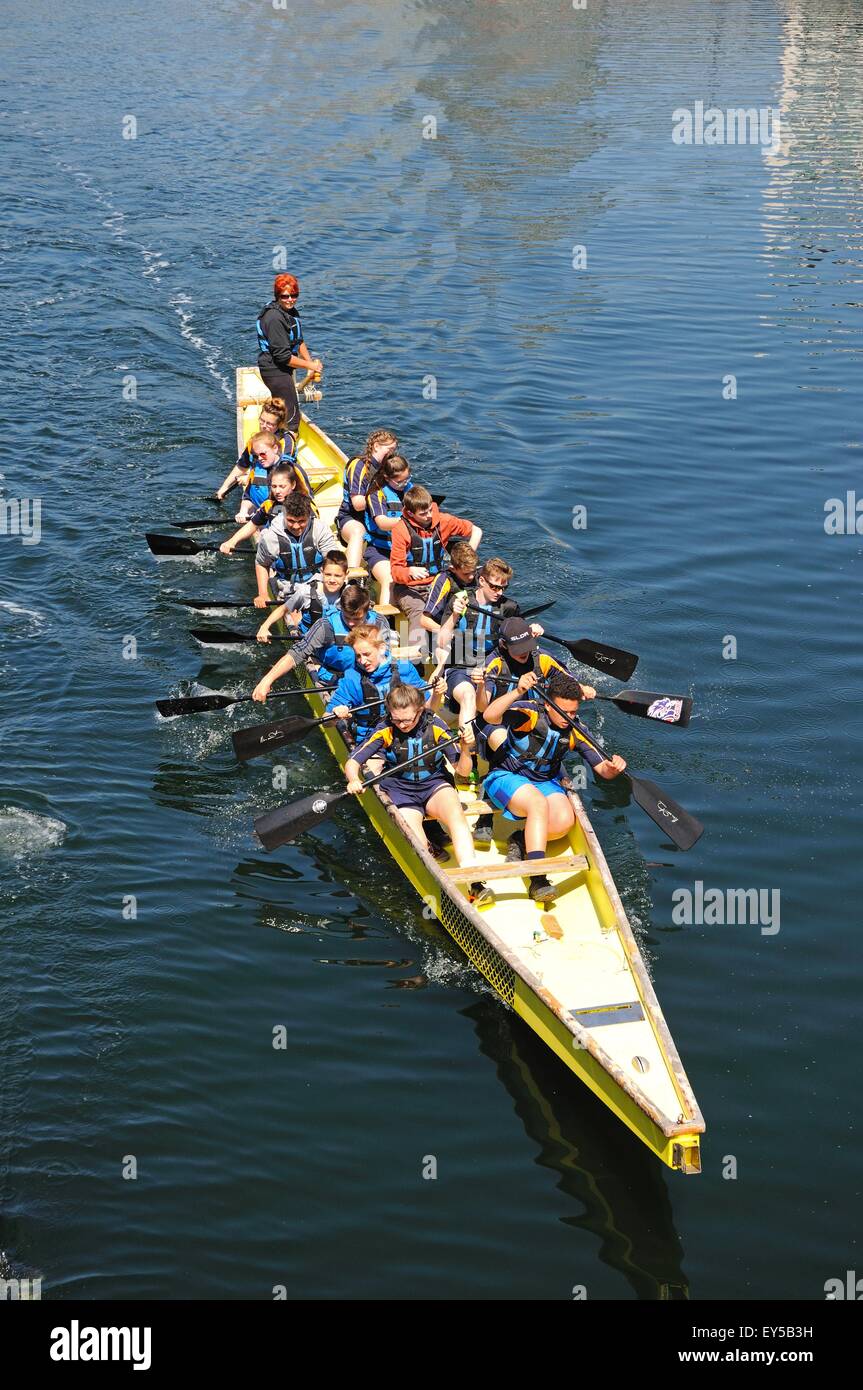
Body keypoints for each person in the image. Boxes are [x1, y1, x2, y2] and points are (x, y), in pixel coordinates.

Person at [481, 668, 626, 903]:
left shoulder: (577, 730)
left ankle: (520, 839)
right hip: (506, 776)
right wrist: (518, 690)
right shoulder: (529, 715)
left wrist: (613, 768)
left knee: (563, 822)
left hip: (544, 781)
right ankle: (537, 879)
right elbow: (490, 717)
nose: (567, 717)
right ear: (548, 704)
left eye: (573, 712)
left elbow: (602, 770)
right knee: (538, 804)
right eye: (562, 711)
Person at [344, 684, 491, 906]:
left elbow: (461, 771)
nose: (402, 725)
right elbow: (353, 761)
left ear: (420, 711)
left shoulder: (436, 726)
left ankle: (475, 883)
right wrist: (354, 779)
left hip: (434, 785)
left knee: (456, 815)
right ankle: (430, 849)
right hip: (401, 792)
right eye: (396, 720)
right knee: (417, 843)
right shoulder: (384, 729)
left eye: (407, 720)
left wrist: (464, 749)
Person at [432, 559, 547, 740]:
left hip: (491, 669)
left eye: (503, 588)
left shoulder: (509, 608)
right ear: (482, 581)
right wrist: (454, 615)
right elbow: (441, 641)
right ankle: (467, 748)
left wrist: (530, 631)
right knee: (469, 696)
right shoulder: (460, 599)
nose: (499, 593)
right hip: (460, 667)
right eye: (494, 587)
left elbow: (516, 638)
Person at [251, 582, 390, 701]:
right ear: (340, 608)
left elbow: (388, 658)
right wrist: (267, 680)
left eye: (357, 619)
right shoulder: (326, 626)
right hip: (337, 681)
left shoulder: (379, 622)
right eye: (347, 618)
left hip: (373, 678)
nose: (352, 624)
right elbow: (297, 653)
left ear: (367, 611)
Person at [389, 486, 482, 654]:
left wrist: (467, 558)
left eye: (430, 510)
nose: (429, 516)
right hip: (409, 588)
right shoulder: (400, 529)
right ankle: (414, 663)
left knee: (465, 604)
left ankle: (467, 649)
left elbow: (476, 530)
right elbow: (395, 571)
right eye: (423, 514)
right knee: (419, 614)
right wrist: (409, 571)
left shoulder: (444, 521)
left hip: (439, 582)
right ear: (410, 513)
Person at [326, 624, 437, 746]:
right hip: (371, 739)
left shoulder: (404, 668)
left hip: (406, 731)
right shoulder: (352, 678)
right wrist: (335, 715)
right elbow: (326, 721)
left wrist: (437, 693)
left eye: (367, 654)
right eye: (358, 656)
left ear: (382, 648)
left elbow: (427, 706)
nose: (362, 661)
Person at [255, 273, 323, 433]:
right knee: (291, 420)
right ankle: (281, 454)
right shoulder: (274, 318)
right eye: (285, 296)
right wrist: (309, 364)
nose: (290, 299)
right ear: (277, 295)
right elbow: (283, 356)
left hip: (284, 369)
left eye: (294, 295)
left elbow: (298, 340)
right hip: (275, 371)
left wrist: (309, 363)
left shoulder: (289, 311)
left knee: (285, 410)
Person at [254, 491, 339, 615]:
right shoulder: (271, 536)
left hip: (317, 581)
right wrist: (262, 594)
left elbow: (334, 560)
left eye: (301, 521)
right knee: (298, 617)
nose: (296, 526)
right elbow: (262, 563)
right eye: (291, 520)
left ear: (309, 515)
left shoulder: (320, 529)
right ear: (284, 514)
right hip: (288, 587)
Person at [336, 429, 399, 570]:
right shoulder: (359, 466)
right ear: (376, 446)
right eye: (389, 450)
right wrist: (380, 501)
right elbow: (358, 504)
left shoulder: (386, 469)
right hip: (352, 518)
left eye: (394, 450)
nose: (392, 454)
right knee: (358, 532)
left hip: (377, 518)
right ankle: (351, 578)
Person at [255, 548, 349, 641]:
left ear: (346, 574)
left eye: (337, 576)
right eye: (328, 575)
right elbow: (283, 609)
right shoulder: (306, 591)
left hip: (338, 642)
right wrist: (264, 627)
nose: (332, 580)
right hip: (310, 643)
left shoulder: (351, 594)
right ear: (322, 572)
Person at [215, 397, 291, 508]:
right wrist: (224, 488)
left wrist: (251, 478)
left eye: (270, 424)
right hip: (257, 494)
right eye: (262, 421)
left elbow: (284, 474)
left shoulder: (286, 442)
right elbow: (242, 466)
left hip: (278, 498)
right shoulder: (256, 441)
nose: (264, 426)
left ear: (279, 425)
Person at [219, 463, 307, 555]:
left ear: (293, 485)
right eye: (274, 486)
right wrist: (232, 542)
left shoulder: (304, 506)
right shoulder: (269, 506)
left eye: (282, 486)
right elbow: (253, 524)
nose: (277, 491)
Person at [363, 453, 413, 606]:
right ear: (386, 477)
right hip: (380, 550)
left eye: (407, 479)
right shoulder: (376, 494)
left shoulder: (412, 491)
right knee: (390, 579)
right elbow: (382, 523)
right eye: (399, 482)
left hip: (406, 551)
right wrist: (407, 520)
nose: (404, 484)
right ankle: (386, 621)